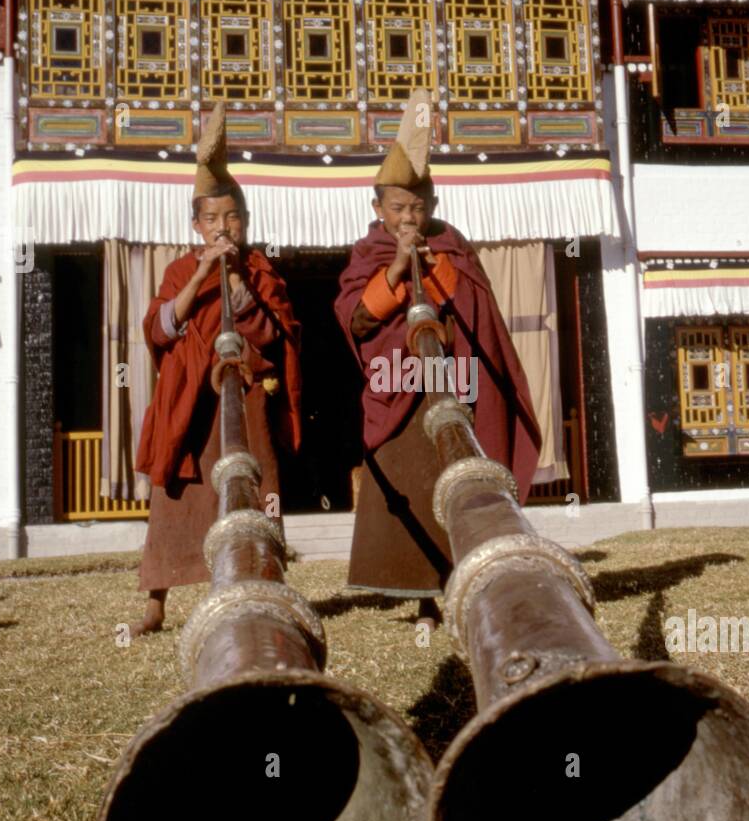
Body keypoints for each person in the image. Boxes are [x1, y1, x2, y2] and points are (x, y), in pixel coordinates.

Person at [334, 88, 541, 626]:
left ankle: (464, 583)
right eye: (398, 207)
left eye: (419, 207)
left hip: (454, 382)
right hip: (402, 386)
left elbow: (477, 310)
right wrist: (398, 272)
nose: (409, 217)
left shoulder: (450, 244)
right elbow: (356, 319)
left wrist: (437, 269)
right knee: (414, 486)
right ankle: (421, 596)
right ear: (377, 209)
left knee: (458, 482)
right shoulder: (370, 253)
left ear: (435, 207)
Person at [130, 100, 302, 637]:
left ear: (245, 222)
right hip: (191, 405)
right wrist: (202, 273)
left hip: (246, 401)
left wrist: (240, 292)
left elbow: (278, 334)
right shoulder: (183, 267)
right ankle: (156, 605)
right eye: (212, 219)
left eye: (232, 217)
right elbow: (159, 330)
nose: (223, 227)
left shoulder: (259, 270)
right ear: (196, 224)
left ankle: (265, 584)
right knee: (176, 500)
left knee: (258, 490)